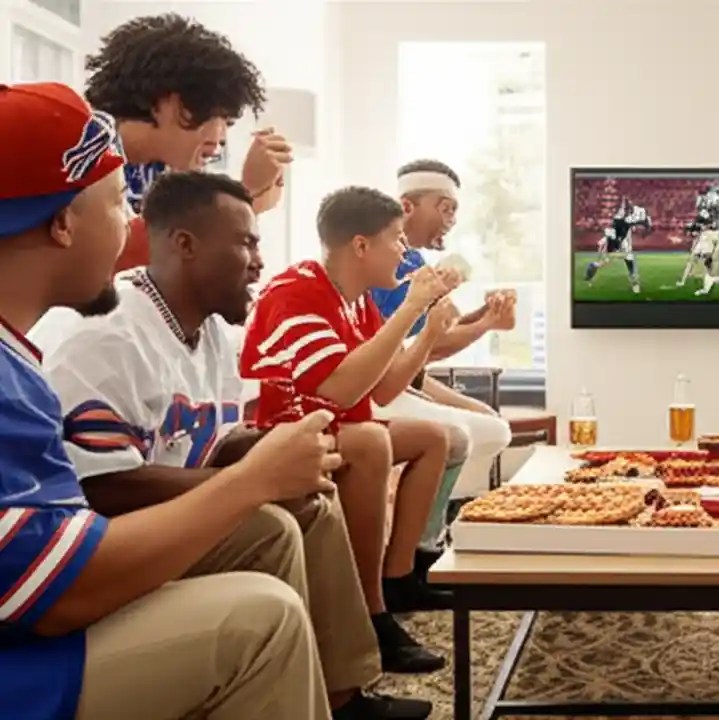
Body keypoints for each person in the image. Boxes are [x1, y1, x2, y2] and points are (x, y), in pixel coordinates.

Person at [0, 81, 335, 720]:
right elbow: (57, 596)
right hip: (21, 670)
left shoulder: (16, 359)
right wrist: (252, 481)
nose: (133, 225)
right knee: (260, 620)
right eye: (118, 203)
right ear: (62, 223)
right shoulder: (28, 368)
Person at [44, 172, 450, 697]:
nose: (259, 261)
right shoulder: (110, 335)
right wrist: (256, 481)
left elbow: (215, 439)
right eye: (245, 243)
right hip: (109, 535)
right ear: (185, 245)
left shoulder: (211, 330)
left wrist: (281, 453)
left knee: (313, 503)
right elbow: (101, 486)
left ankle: (345, 687)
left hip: (170, 502)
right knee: (271, 522)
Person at [239, 186, 464, 621]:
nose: (404, 252)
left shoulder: (359, 302)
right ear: (361, 246)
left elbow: (383, 390)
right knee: (371, 442)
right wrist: (412, 307)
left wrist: (429, 332)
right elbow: (338, 391)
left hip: (331, 428)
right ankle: (370, 613)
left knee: (432, 438)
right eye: (396, 239)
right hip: (281, 432)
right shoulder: (296, 291)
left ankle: (399, 579)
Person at [28, 13, 293, 354]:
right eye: (221, 118)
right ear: (171, 102)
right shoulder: (82, 151)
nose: (221, 139)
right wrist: (246, 199)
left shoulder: (157, 171)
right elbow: (117, 263)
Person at [371, 159, 514, 505]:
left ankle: (436, 514)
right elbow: (429, 346)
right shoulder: (387, 262)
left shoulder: (415, 262)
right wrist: (485, 325)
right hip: (379, 382)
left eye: (455, 211)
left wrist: (486, 316)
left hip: (406, 374)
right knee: (492, 431)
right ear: (407, 207)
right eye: (445, 208)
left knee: (492, 422)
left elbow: (435, 335)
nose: (451, 220)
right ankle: (432, 519)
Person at [584, 196, 651, 293]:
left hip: (622, 239)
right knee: (606, 260)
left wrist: (645, 228)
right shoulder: (620, 218)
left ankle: (635, 283)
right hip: (617, 239)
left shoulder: (630, 214)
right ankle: (593, 268)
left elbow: (642, 221)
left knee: (628, 259)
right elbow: (625, 225)